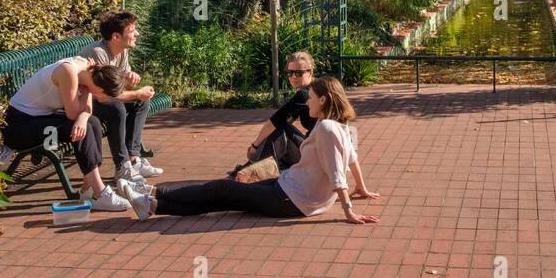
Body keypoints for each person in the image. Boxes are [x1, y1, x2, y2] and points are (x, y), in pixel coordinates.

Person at [125, 76, 380, 225]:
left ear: (323, 100)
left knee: (222, 190)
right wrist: (362, 188)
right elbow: (353, 160)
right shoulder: (340, 125)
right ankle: (152, 200)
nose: (308, 102)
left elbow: (337, 172)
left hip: (293, 200)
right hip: (292, 190)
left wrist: (349, 211)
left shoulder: (326, 127)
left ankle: (150, 201)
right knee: (225, 191)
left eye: (311, 97)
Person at [2, 54, 138, 211]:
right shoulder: (69, 73)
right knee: (83, 127)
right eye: (103, 95)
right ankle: (100, 193)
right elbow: (74, 115)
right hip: (18, 127)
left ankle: (88, 187)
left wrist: (82, 117)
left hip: (37, 119)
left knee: (91, 122)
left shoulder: (86, 72)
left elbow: (87, 111)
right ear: (100, 88)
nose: (101, 98)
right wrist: (86, 96)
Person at [80, 11, 163, 185]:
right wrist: (136, 92)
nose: (137, 34)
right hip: (84, 103)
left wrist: (130, 81)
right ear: (116, 36)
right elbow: (104, 95)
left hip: (100, 97)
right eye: (132, 31)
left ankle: (133, 158)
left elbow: (121, 88)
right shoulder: (98, 54)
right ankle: (122, 166)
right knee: (116, 108)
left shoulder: (121, 51)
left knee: (141, 101)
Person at [235, 50, 317, 174]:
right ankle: (252, 168)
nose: (293, 77)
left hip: (316, 156)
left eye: (299, 73)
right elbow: (288, 119)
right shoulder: (316, 88)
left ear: (310, 72)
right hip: (317, 150)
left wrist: (255, 146)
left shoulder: (305, 94)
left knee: (279, 127)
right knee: (278, 132)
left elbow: (275, 122)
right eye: (290, 73)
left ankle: (249, 170)